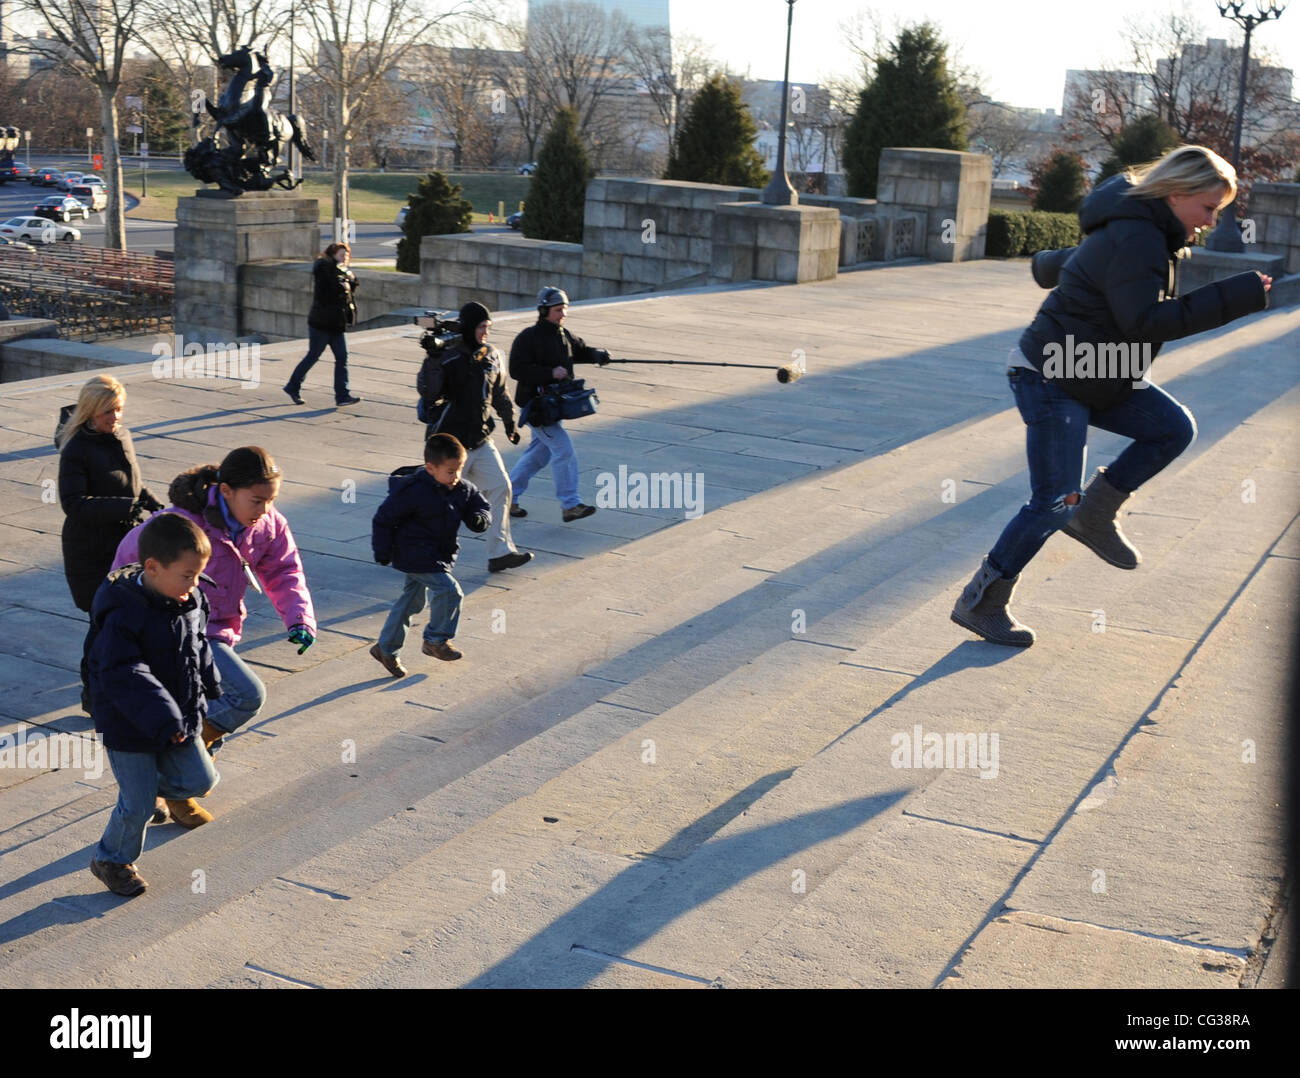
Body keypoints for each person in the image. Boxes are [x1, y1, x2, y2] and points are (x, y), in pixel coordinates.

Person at [951, 145, 1272, 647]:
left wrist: (1058, 264)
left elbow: (1099, 269)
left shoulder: (1144, 229)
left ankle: (1095, 512)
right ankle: (982, 600)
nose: (1210, 222)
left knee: (1172, 427)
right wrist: (1237, 296)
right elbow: (1144, 321)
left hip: (1098, 371)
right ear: (1175, 192)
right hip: (1052, 373)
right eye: (1208, 208)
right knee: (1055, 498)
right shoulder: (1139, 234)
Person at [113, 447, 316, 777]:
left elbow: (285, 571)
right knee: (246, 695)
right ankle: (179, 761)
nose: (265, 510)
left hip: (221, 629)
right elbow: (125, 568)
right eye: (257, 500)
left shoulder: (268, 524)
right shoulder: (179, 526)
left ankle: (179, 783)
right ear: (226, 491)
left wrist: (299, 618)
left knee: (209, 710)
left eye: (271, 500)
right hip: (178, 633)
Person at [87, 513, 222, 895]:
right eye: (186, 575)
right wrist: (166, 718)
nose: (194, 584)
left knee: (202, 779)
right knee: (139, 806)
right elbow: (125, 671)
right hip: (129, 725)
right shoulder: (123, 611)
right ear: (152, 567)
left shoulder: (190, 599)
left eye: (198, 574)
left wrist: (210, 682)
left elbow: (199, 645)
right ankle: (111, 859)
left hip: (177, 718)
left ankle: (144, 791)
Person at [422, 300, 533, 572]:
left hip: (481, 439)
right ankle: (422, 553)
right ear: (470, 327)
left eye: (488, 327)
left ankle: (499, 553)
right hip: (449, 445)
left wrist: (509, 422)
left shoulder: (492, 355)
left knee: (500, 487)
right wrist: (434, 360)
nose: (486, 332)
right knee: (438, 503)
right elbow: (429, 393)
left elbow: (499, 392)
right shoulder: (447, 356)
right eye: (482, 327)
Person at [370, 433, 491, 677]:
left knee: (411, 602)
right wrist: (382, 551)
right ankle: (436, 640)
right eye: (450, 471)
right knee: (449, 592)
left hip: (439, 552)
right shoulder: (411, 490)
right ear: (430, 468)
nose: (456, 477)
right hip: (414, 553)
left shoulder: (461, 488)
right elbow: (383, 520)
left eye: (459, 470)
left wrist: (480, 519)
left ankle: (386, 648)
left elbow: (479, 505)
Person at [56, 374, 164, 613]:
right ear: (91, 410)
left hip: (123, 539)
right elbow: (73, 503)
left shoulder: (121, 435)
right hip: (91, 550)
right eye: (107, 411)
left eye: (118, 409)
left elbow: (127, 481)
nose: (115, 417)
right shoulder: (76, 448)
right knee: (106, 619)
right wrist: (125, 507)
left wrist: (149, 499)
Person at [507, 286, 610, 522]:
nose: (562, 314)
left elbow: (580, 351)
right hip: (537, 408)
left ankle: (507, 496)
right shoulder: (528, 337)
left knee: (538, 455)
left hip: (553, 405)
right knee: (564, 451)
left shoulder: (562, 334)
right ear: (543, 310)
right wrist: (550, 373)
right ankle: (570, 504)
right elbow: (516, 370)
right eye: (557, 310)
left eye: (564, 309)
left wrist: (598, 355)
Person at [283, 241, 362, 407]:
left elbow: (347, 296)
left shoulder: (341, 272)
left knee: (342, 358)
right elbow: (330, 292)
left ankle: (342, 396)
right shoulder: (323, 269)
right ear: (332, 254)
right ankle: (293, 386)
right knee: (313, 356)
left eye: (346, 255)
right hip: (321, 323)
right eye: (341, 254)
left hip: (337, 324)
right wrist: (343, 280)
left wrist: (352, 281)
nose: (344, 257)